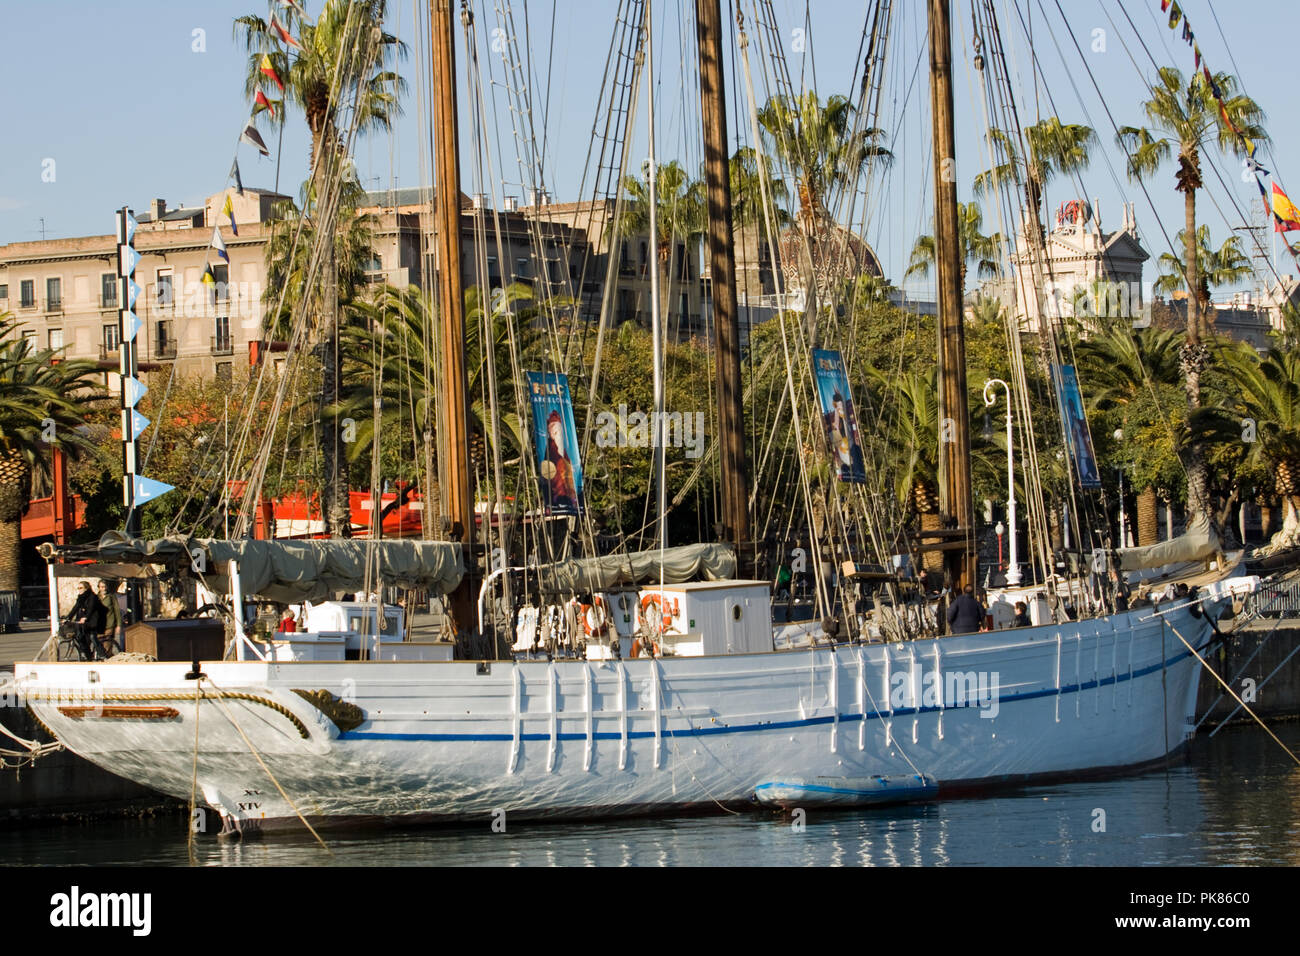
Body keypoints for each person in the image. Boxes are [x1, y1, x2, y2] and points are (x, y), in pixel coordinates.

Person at [541, 410, 578, 512]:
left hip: (566, 487)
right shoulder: (551, 448)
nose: (556, 432)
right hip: (556, 487)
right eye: (553, 429)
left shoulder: (562, 447)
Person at [67, 581, 104, 659]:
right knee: (80, 637)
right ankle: (88, 656)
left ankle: (102, 655)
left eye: (81, 588)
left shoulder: (92, 596)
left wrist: (86, 617)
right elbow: (75, 607)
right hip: (83, 622)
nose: (79, 590)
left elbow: (91, 608)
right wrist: (68, 618)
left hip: (93, 621)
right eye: (78, 588)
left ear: (86, 589)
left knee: (92, 637)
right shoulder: (81, 597)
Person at [97, 581, 123, 658]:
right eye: (101, 587)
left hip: (109, 624)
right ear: (98, 588)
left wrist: (118, 625)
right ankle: (109, 659)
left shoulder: (111, 597)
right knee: (99, 646)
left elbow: (117, 610)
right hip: (99, 625)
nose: (103, 589)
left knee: (107, 646)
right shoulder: (96, 597)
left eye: (104, 587)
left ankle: (107, 662)